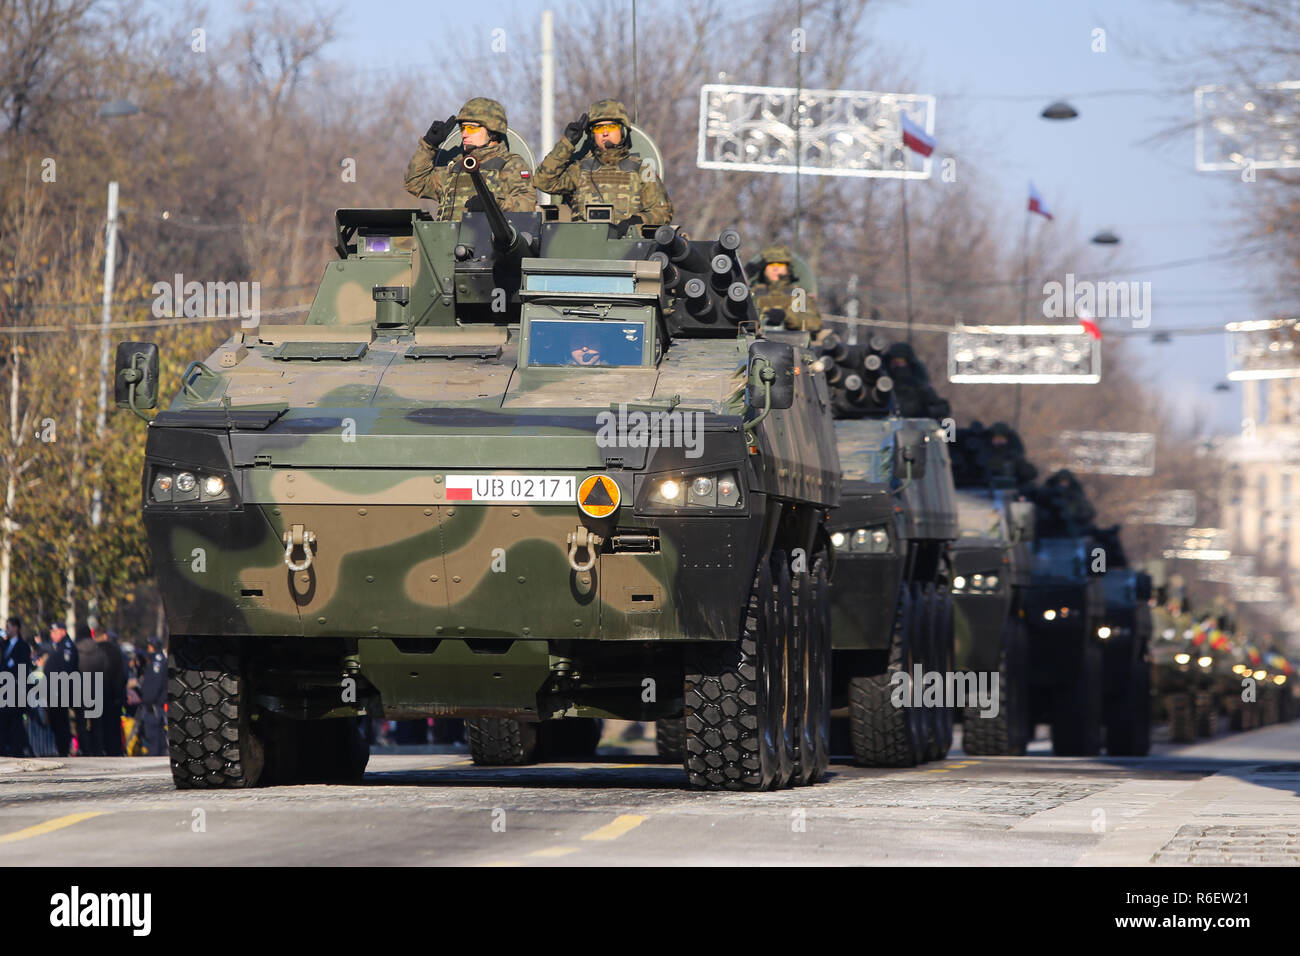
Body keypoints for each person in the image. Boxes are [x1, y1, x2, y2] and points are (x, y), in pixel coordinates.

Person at [534, 99, 673, 232]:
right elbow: (543, 181)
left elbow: (662, 211)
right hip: (582, 246)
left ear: (622, 131)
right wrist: (567, 143)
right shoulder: (581, 169)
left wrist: (635, 222)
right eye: (599, 129)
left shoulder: (641, 170)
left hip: (626, 246)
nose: (605, 133)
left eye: (611, 127)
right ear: (592, 135)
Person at [403, 97, 536, 221]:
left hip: (486, 243)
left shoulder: (510, 165)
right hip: (445, 242)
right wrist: (428, 145)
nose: (465, 134)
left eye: (472, 128)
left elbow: (527, 205)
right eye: (463, 128)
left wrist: (492, 204)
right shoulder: (454, 167)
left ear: (493, 132)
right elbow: (415, 183)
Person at [748, 245, 822, 332]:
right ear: (764, 268)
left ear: (787, 268)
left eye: (780, 264)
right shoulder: (754, 293)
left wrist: (786, 317)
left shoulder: (797, 293)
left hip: (791, 340)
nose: (775, 268)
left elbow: (814, 322)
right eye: (771, 264)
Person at [40, 621, 77, 756]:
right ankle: (61, 747)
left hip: (60, 692)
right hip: (54, 691)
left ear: (63, 631)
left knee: (61, 723)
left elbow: (65, 670)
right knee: (56, 723)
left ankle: (64, 749)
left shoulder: (66, 647)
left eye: (55, 632)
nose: (52, 635)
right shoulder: (57, 647)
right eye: (51, 633)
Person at [1, 616, 31, 757]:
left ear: (16, 628)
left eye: (9, 627)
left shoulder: (22, 646)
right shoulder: (5, 645)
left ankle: (17, 750)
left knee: (16, 723)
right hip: (4, 692)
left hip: (16, 691)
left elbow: (23, 668)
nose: (7, 630)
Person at [75, 623, 106, 756]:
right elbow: (105, 669)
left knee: (81, 722)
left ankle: (85, 750)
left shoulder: (76, 651)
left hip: (81, 689)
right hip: (97, 688)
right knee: (96, 723)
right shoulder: (99, 650)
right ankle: (97, 749)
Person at [132, 636, 167, 757]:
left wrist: (147, 700)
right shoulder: (155, 660)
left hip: (153, 706)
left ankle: (156, 756)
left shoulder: (156, 662)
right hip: (155, 705)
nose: (148, 648)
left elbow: (154, 685)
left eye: (150, 646)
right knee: (158, 736)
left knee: (153, 737)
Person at [98, 628, 127, 756]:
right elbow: (122, 675)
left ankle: (99, 750)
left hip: (96, 697)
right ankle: (114, 751)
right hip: (114, 698)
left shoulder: (94, 651)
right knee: (113, 729)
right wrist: (119, 695)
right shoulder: (116, 651)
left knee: (98, 728)